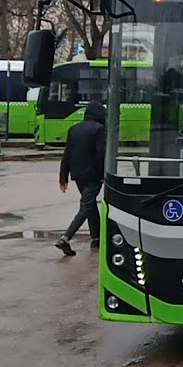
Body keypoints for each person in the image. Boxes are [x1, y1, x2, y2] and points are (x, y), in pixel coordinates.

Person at [55, 101, 107, 257]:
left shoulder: (74, 129)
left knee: (89, 205)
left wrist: (62, 177)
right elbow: (101, 154)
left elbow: (67, 154)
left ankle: (96, 237)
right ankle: (66, 237)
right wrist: (105, 174)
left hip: (77, 175)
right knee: (86, 206)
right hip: (93, 175)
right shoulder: (99, 129)